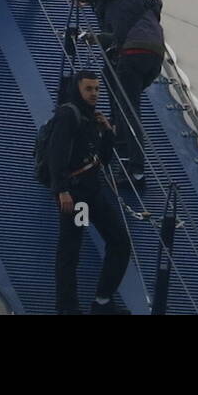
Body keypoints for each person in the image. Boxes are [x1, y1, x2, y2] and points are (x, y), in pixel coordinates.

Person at [53, 0, 164, 187]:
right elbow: (130, 29)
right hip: (154, 54)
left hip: (132, 52)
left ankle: (135, 170)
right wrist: (94, 38)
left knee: (127, 109)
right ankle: (121, 151)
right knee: (120, 99)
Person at [46, 70, 132, 315]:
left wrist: (107, 133)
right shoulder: (68, 114)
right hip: (75, 194)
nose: (94, 94)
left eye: (97, 89)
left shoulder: (91, 118)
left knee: (120, 242)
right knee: (71, 249)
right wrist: (61, 190)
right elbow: (57, 153)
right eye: (89, 89)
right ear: (78, 89)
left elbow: (102, 160)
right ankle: (67, 306)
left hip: (92, 191)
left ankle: (102, 301)